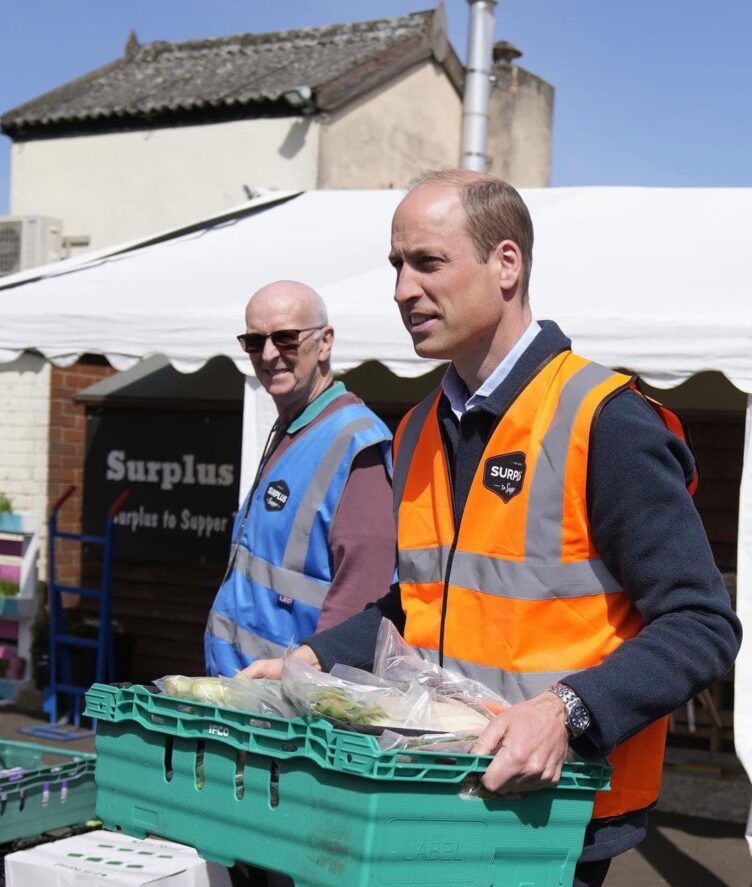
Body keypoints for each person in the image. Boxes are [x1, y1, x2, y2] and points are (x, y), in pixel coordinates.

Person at [245, 173, 742, 886]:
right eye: (396, 265)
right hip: (435, 799)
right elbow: (420, 601)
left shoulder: (602, 417)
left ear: (506, 264)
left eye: (427, 262)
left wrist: (567, 712)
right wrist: (314, 658)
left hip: (553, 820)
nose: (401, 290)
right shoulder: (417, 430)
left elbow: (702, 622)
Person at [204, 279, 395, 675]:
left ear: (325, 342)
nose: (269, 354)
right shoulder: (294, 429)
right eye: (255, 342)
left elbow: (359, 610)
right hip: (246, 703)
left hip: (288, 716)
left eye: (286, 338)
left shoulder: (356, 444)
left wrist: (305, 694)